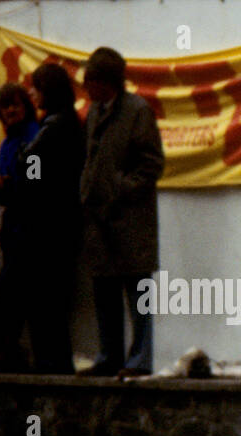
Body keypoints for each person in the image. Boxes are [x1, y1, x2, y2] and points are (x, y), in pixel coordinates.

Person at [78, 47, 165, 378]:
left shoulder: (138, 111)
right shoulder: (95, 112)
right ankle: (108, 356)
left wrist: (118, 188)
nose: (87, 88)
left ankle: (140, 360)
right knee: (104, 293)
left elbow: (152, 165)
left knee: (138, 294)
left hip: (131, 222)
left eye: (92, 81)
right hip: (99, 223)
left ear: (108, 82)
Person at [5, 65, 85, 373]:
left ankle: (50, 367)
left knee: (45, 303)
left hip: (47, 230)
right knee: (53, 303)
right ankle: (55, 364)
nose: (30, 93)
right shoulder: (68, 124)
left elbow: (32, 171)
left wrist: (21, 163)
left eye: (35, 87)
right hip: (61, 227)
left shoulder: (55, 128)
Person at [0, 82, 42, 372]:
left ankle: (1, 354)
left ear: (26, 107)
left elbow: (37, 182)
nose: (10, 110)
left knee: (13, 298)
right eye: (4, 106)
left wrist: (10, 188)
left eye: (15, 104)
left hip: (33, 231)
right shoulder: (6, 144)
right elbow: (1, 185)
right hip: (12, 231)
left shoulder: (36, 137)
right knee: (8, 297)